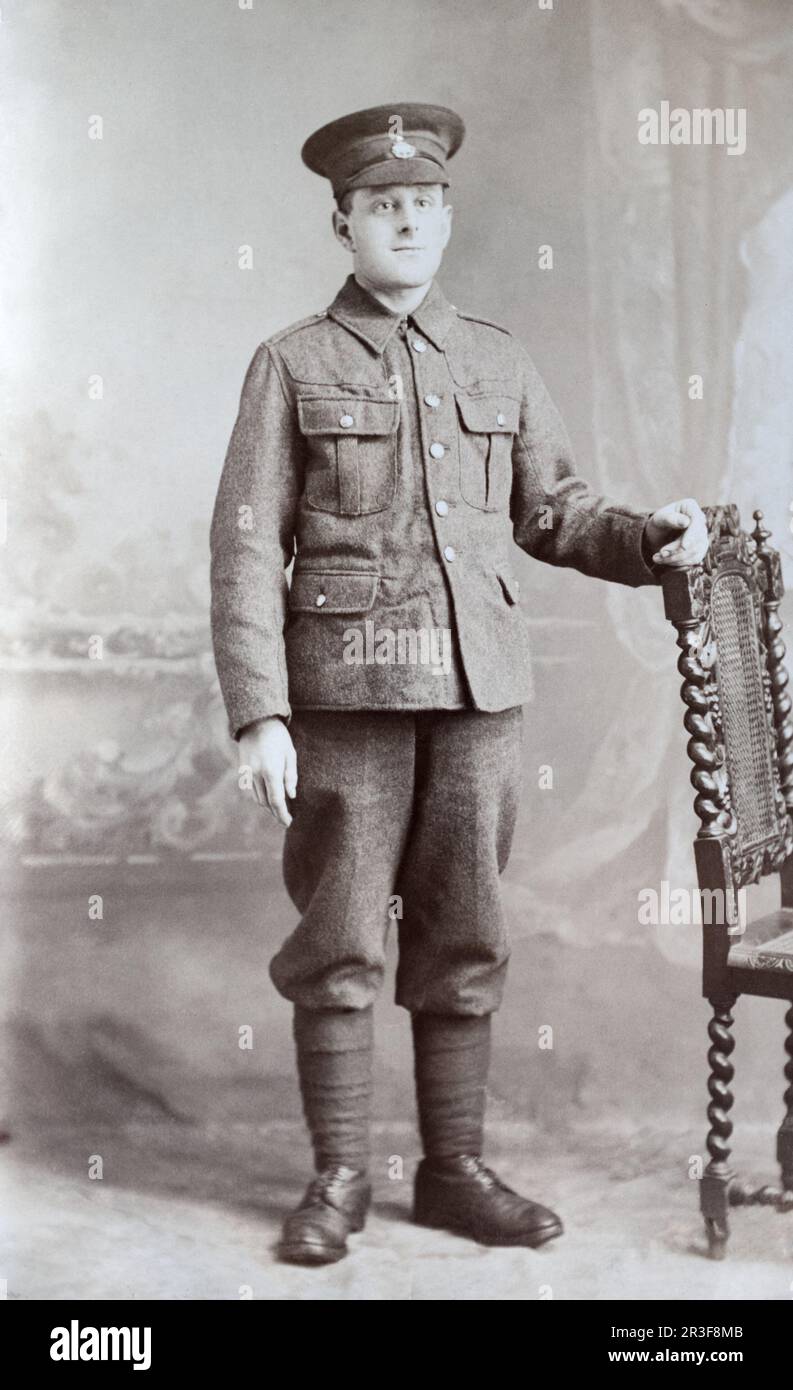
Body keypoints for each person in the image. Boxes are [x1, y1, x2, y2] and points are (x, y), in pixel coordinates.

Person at [209, 103, 709, 1266]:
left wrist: (652, 538)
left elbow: (556, 512)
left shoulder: (498, 359)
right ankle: (337, 1178)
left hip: (478, 697)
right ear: (343, 223)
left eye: (424, 205)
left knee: (468, 932)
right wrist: (260, 713)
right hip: (340, 698)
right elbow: (243, 542)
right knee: (337, 936)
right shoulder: (291, 363)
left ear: (446, 218)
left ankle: (452, 1172)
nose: (407, 224)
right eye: (383, 207)